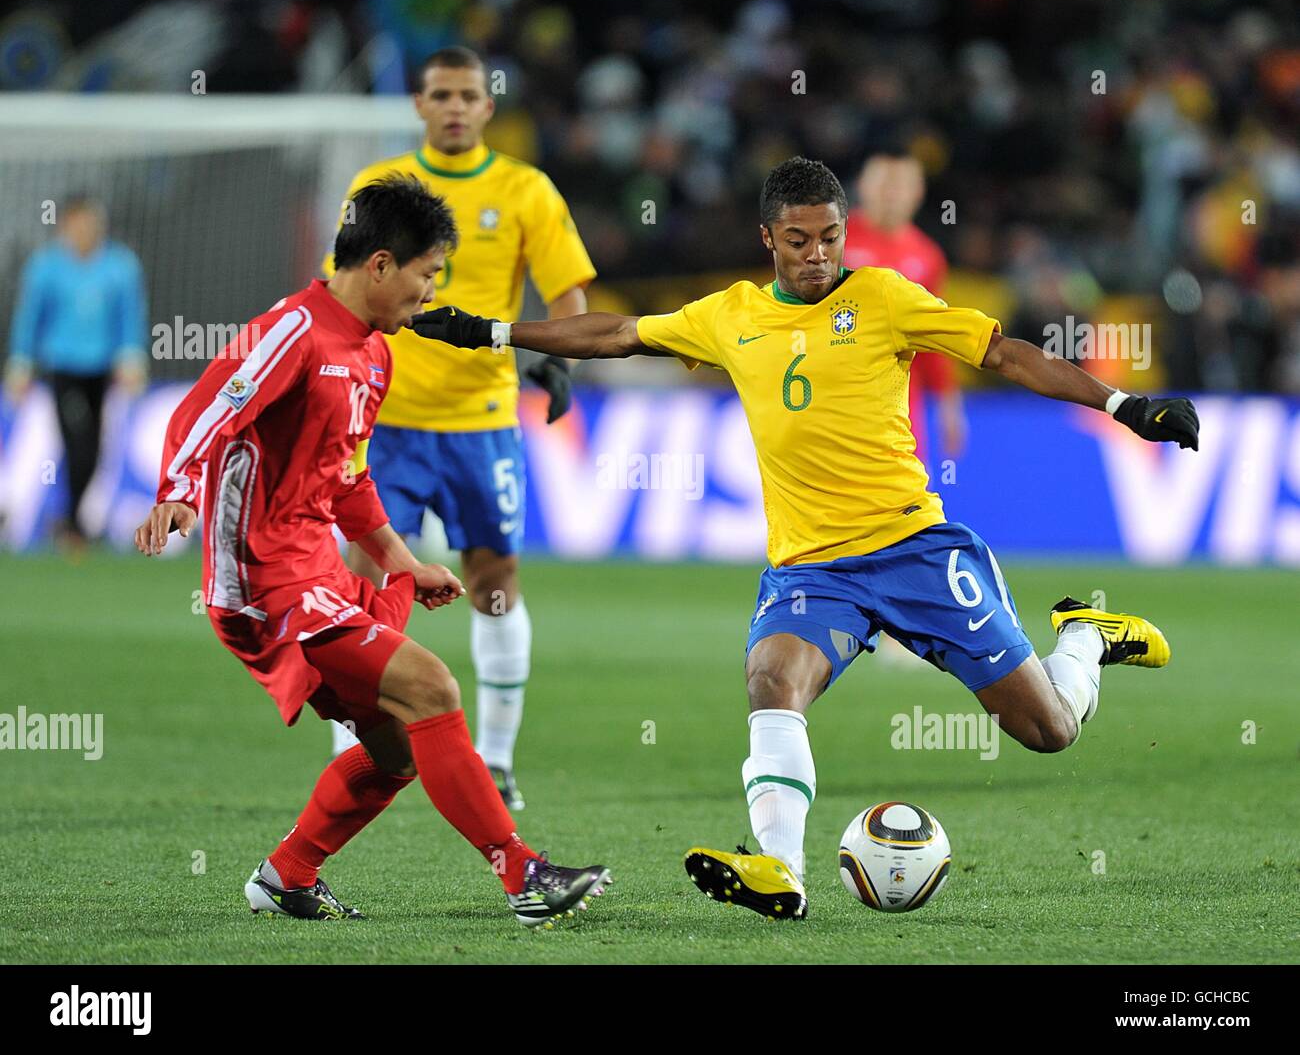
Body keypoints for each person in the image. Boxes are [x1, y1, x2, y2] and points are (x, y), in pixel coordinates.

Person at [405, 157, 1200, 921]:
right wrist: (494, 332)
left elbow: (1003, 352)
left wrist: (1125, 405)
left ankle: (1088, 641)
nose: (817, 255)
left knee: (1048, 731)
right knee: (772, 679)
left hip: (915, 548)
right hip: (813, 570)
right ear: (767, 239)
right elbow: (617, 333)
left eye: (829, 237)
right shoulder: (730, 316)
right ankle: (780, 869)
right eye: (798, 240)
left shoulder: (886, 298)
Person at [135, 177, 610, 927]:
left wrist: (402, 562)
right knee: (434, 688)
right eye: (426, 276)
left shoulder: (375, 354)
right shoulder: (292, 331)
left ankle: (288, 874)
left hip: (315, 566)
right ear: (382, 265)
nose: (430, 295)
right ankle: (525, 874)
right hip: (262, 582)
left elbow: (349, 477)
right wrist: (177, 493)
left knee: (397, 745)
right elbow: (207, 409)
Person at [326, 46, 597, 813]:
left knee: (494, 585)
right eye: (439, 93)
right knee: (369, 579)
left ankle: (500, 757)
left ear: (487, 105)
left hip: (481, 423)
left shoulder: (524, 189)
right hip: (387, 424)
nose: (453, 105)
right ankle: (356, 749)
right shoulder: (375, 189)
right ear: (419, 103)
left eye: (467, 94)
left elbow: (568, 287)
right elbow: (339, 286)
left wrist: (557, 362)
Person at [4, 195, 147, 549]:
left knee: (94, 445)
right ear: (66, 225)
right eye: (78, 222)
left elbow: (130, 314)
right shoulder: (46, 266)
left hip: (101, 368)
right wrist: (20, 362)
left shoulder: (120, 265)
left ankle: (72, 521)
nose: (85, 229)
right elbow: (29, 317)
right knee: (76, 438)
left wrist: (132, 356)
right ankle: (72, 523)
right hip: (62, 365)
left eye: (91, 221)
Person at [844, 150, 964, 466]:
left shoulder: (927, 257)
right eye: (883, 183)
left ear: (918, 192)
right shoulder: (831, 241)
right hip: (834, 401)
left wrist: (949, 404)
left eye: (900, 185)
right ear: (862, 186)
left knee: (902, 505)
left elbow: (932, 337)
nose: (891, 195)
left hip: (898, 412)